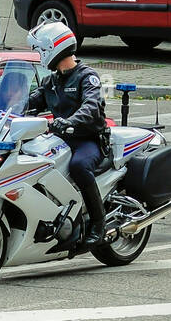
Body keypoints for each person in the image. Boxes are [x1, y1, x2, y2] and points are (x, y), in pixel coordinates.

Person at [26, 23, 109, 247]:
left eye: (39, 50)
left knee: (79, 167)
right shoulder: (51, 81)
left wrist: (71, 122)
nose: (38, 55)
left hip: (87, 140)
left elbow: (91, 106)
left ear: (53, 48)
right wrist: (4, 109)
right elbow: (31, 102)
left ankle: (99, 223)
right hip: (60, 140)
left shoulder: (87, 77)